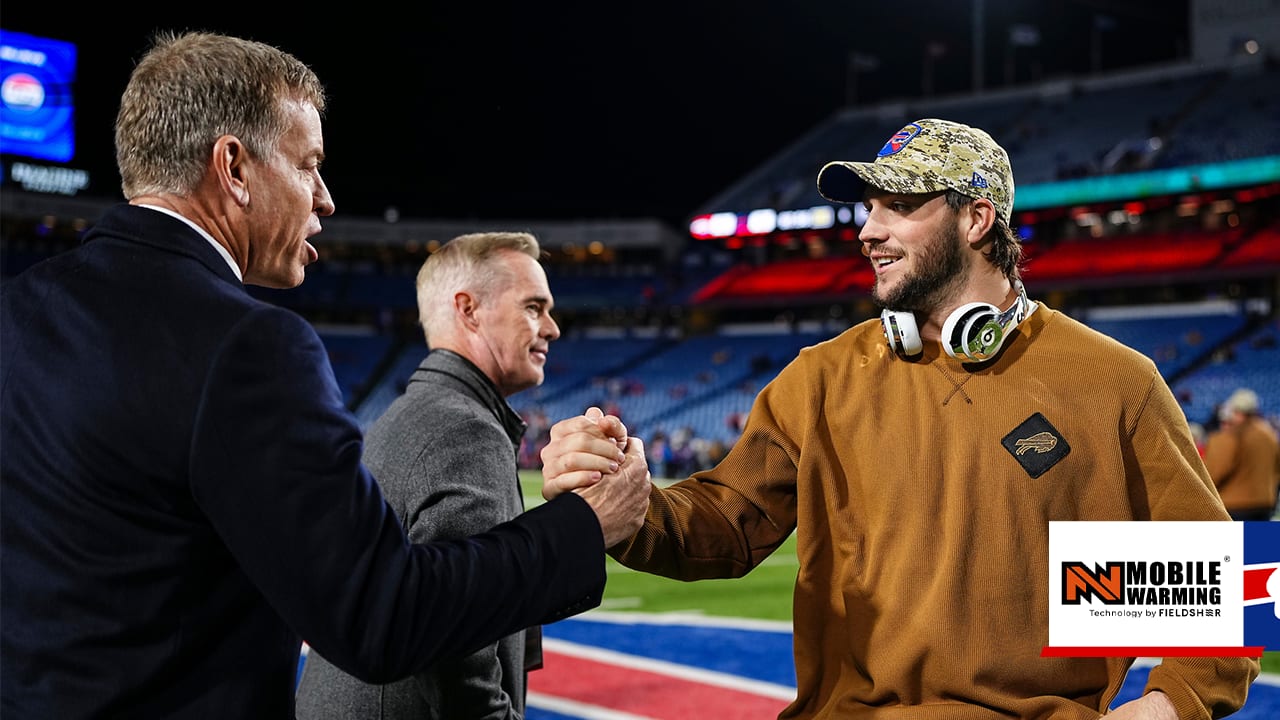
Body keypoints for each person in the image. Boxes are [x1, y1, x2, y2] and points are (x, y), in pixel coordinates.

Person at [0, 31, 649, 719]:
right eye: (308, 165)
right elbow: (382, 616)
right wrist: (584, 525)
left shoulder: (18, 311)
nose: (326, 198)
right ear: (234, 168)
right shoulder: (248, 346)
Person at [541, 118, 1260, 719]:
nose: (867, 232)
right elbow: (722, 530)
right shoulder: (821, 378)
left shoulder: (1114, 383)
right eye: (868, 207)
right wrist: (623, 501)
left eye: (899, 206)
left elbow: (1213, 595)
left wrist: (1170, 703)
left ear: (978, 218)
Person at [295, 231, 565, 719]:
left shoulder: (411, 415)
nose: (552, 328)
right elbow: (457, 660)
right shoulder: (465, 430)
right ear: (468, 309)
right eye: (533, 307)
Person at [1203, 387, 1280, 521]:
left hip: (1235, 504)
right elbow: (1276, 468)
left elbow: (1216, 471)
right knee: (1261, 542)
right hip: (1265, 503)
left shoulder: (1232, 435)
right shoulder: (1269, 434)